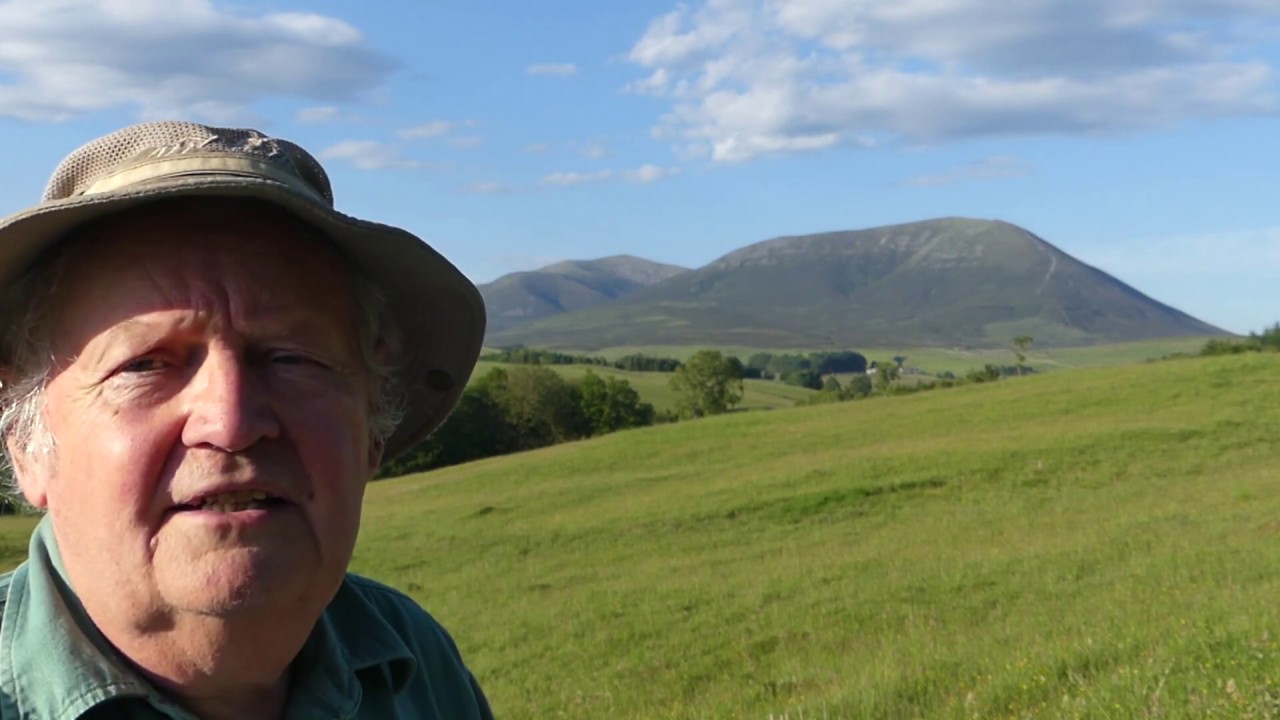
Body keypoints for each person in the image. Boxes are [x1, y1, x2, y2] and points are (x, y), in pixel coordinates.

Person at [0, 122, 494, 719]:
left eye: (293, 358)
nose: (231, 423)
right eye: (146, 364)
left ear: (371, 431)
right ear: (28, 447)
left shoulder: (411, 660)